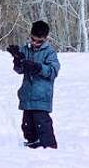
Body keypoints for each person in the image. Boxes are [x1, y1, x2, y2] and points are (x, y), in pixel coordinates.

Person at [7, 20, 60, 149]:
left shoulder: (49, 52)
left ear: (45, 39)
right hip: (27, 93)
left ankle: (49, 145)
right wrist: (18, 60)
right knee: (27, 123)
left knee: (42, 121)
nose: (35, 43)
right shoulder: (26, 49)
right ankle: (32, 141)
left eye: (39, 41)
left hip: (41, 95)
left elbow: (53, 71)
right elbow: (19, 70)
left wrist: (38, 67)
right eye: (32, 39)